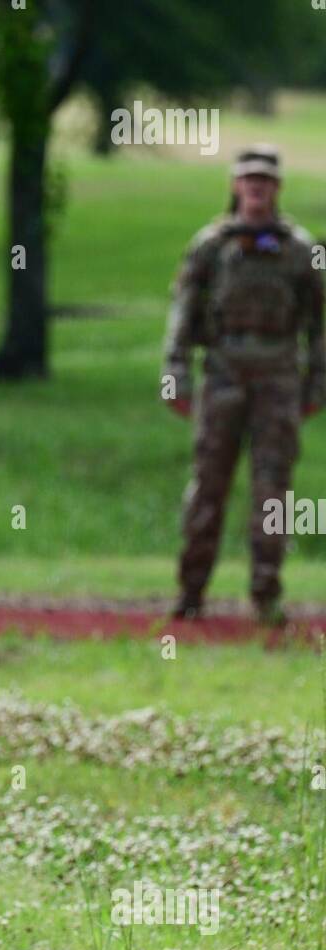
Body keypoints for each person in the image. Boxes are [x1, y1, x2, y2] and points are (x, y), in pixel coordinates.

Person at [163, 145, 325, 624]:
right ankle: (191, 594)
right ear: (236, 185)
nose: (257, 188)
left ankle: (266, 595)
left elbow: (319, 326)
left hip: (278, 378)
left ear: (277, 187)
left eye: (266, 181)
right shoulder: (212, 245)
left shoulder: (300, 250)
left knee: (272, 491)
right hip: (223, 374)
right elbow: (183, 312)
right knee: (208, 487)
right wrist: (175, 373)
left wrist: (317, 386)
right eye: (249, 180)